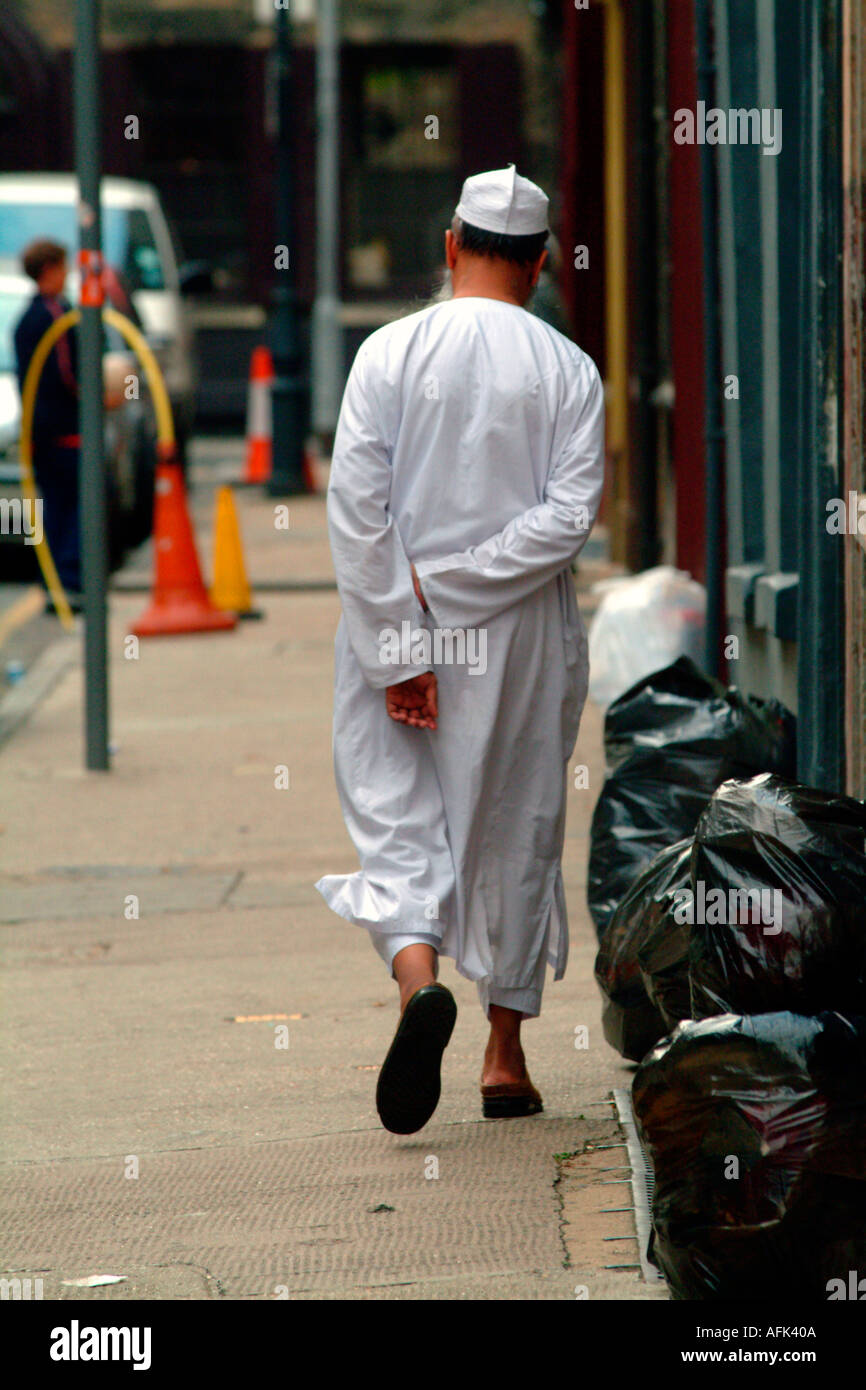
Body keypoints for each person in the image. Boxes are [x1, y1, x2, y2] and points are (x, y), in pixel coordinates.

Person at [316, 165, 606, 1134]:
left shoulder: (386, 355)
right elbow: (567, 521)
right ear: (540, 263)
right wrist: (462, 583)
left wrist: (402, 638)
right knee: (514, 823)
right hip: (519, 633)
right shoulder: (569, 371)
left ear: (450, 246)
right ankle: (503, 1055)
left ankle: (413, 984)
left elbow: (355, 513)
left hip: (387, 614)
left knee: (397, 816)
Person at [14, 239, 82, 604]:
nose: (68, 273)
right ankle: (68, 580)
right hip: (63, 428)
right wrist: (94, 397)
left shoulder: (25, 317)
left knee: (53, 507)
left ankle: (54, 581)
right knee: (74, 505)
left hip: (38, 430)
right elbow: (67, 373)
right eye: (63, 266)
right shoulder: (56, 315)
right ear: (50, 270)